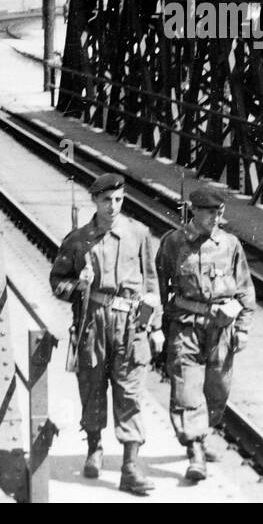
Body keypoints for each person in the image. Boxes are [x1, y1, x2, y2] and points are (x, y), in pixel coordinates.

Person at [50, 173, 164, 496]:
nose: (112, 207)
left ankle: (130, 467)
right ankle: (95, 448)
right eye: (105, 201)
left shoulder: (138, 234)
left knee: (130, 392)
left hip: (130, 325)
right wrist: (78, 286)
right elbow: (57, 281)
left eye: (118, 200)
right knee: (92, 385)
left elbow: (151, 283)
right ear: (94, 201)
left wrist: (155, 327)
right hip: (93, 322)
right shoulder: (78, 239)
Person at [156, 183, 256, 483]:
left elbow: (245, 289)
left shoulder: (229, 244)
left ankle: (204, 431)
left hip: (221, 329)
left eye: (219, 211)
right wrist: (156, 328)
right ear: (194, 211)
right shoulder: (174, 243)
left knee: (218, 390)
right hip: (185, 325)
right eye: (209, 212)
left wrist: (244, 328)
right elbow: (158, 285)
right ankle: (195, 449)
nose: (215, 217)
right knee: (186, 389)